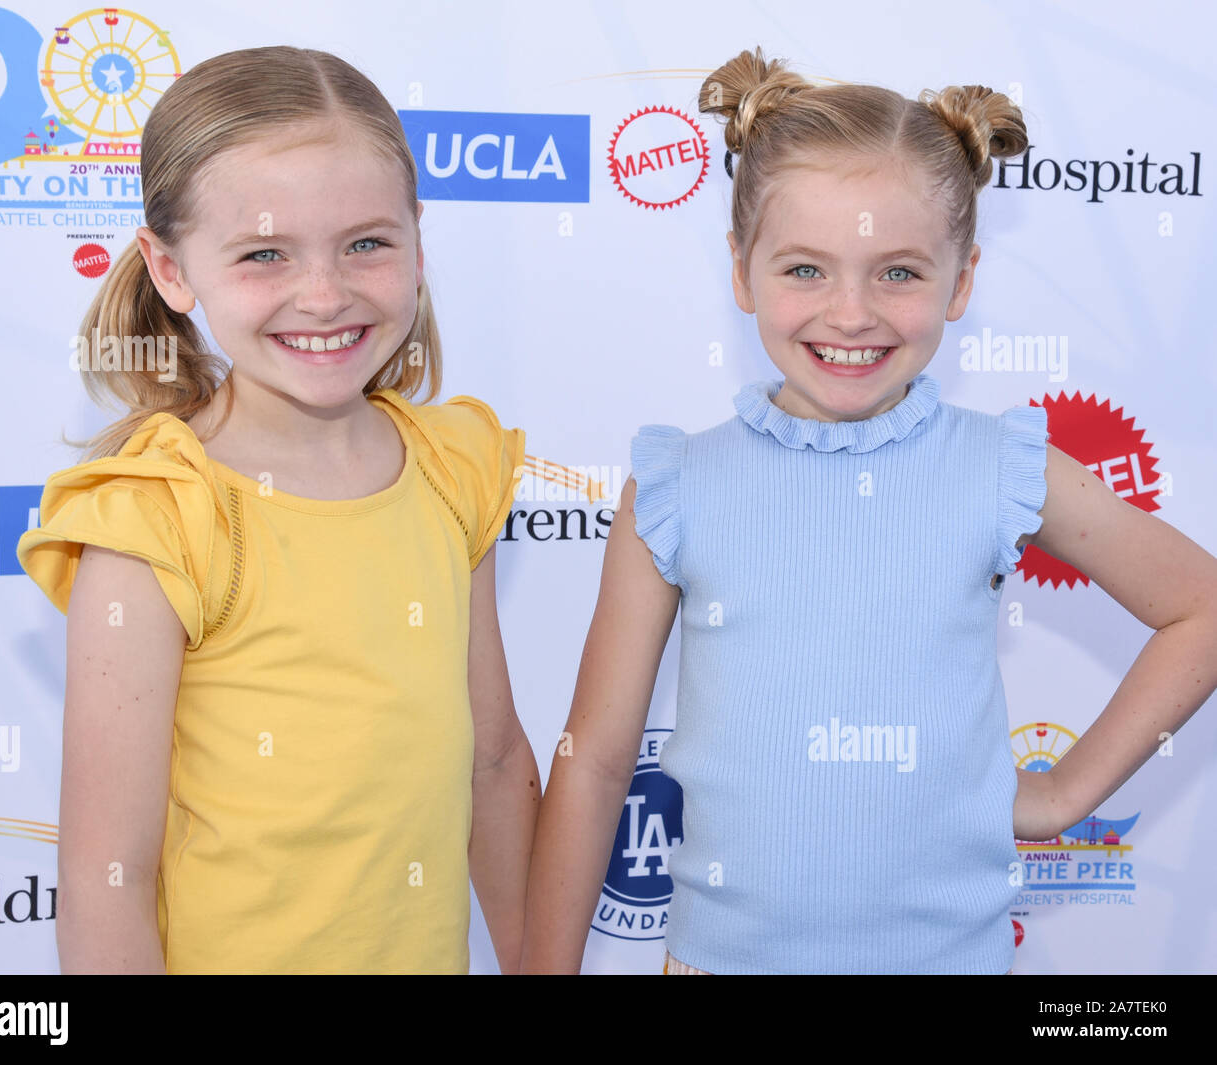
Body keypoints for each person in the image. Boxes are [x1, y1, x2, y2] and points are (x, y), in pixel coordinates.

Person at [521, 47, 1217, 974]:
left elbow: (1198, 607)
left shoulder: (997, 466)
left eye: (897, 273)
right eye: (805, 269)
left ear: (962, 280)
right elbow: (597, 760)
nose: (851, 314)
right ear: (741, 270)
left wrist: (1057, 794)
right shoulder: (679, 483)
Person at [17, 45, 538, 974]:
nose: (325, 294)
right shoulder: (157, 518)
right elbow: (108, 877)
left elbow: (493, 764)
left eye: (366, 243)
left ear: (418, 240)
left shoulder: (453, 469)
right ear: (172, 271)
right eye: (265, 254)